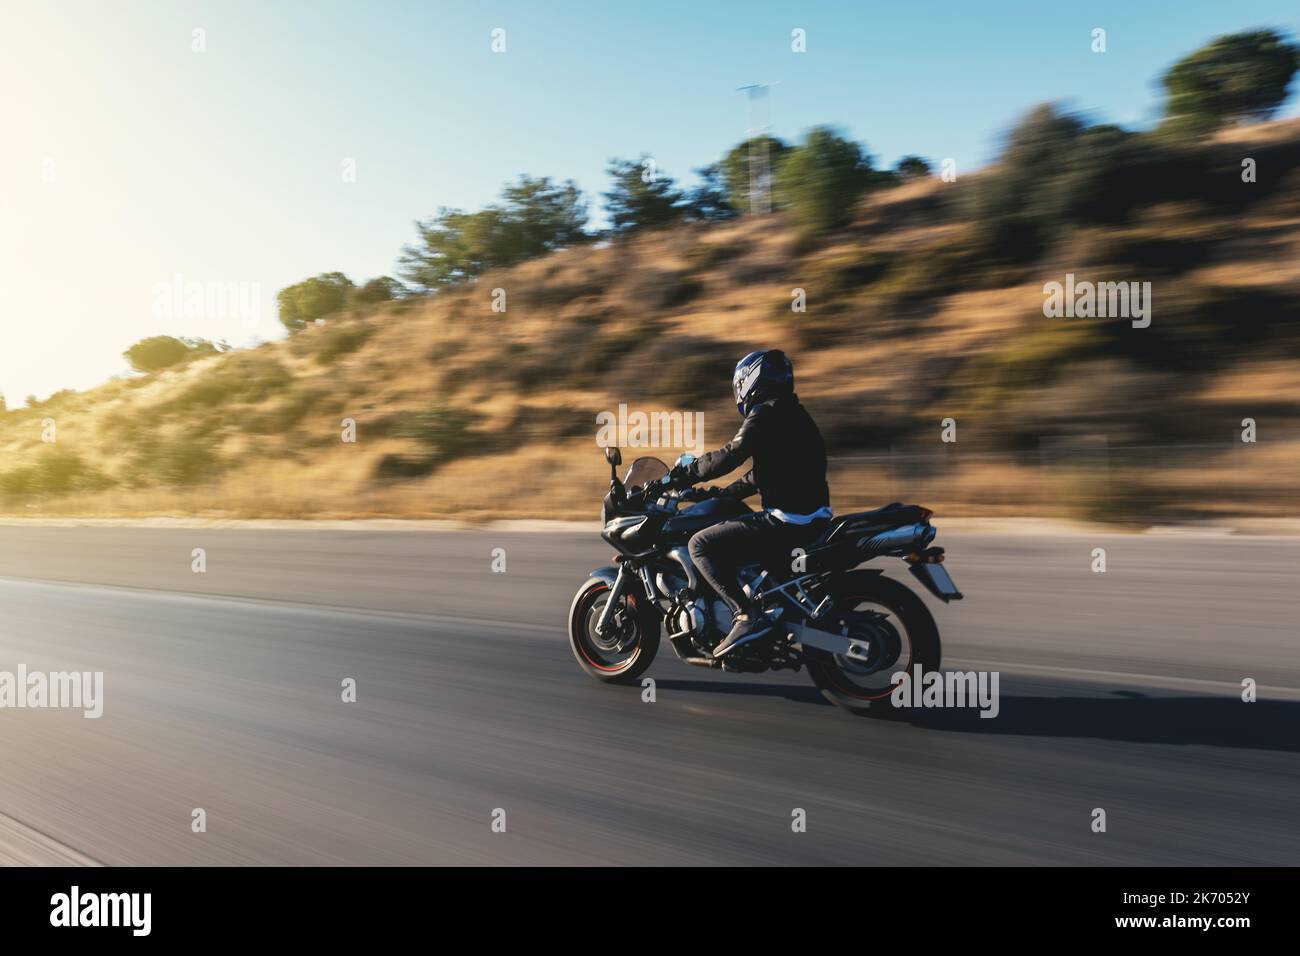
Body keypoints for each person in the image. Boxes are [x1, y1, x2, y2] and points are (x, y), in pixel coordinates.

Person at [669, 349, 831, 657]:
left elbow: (731, 454)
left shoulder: (766, 414)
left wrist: (685, 474)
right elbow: (761, 477)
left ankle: (745, 614)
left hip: (787, 522)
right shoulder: (795, 415)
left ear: (751, 382)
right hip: (814, 519)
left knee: (700, 545)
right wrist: (714, 495)